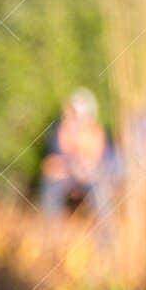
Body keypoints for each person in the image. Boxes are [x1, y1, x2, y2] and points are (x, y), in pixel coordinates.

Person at [40, 88, 119, 217]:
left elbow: (103, 165)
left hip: (92, 179)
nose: (69, 118)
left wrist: (88, 168)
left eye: (74, 114)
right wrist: (61, 166)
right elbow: (49, 164)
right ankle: (51, 227)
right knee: (51, 185)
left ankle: (106, 228)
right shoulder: (58, 131)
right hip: (66, 177)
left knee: (100, 192)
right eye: (68, 114)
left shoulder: (96, 132)